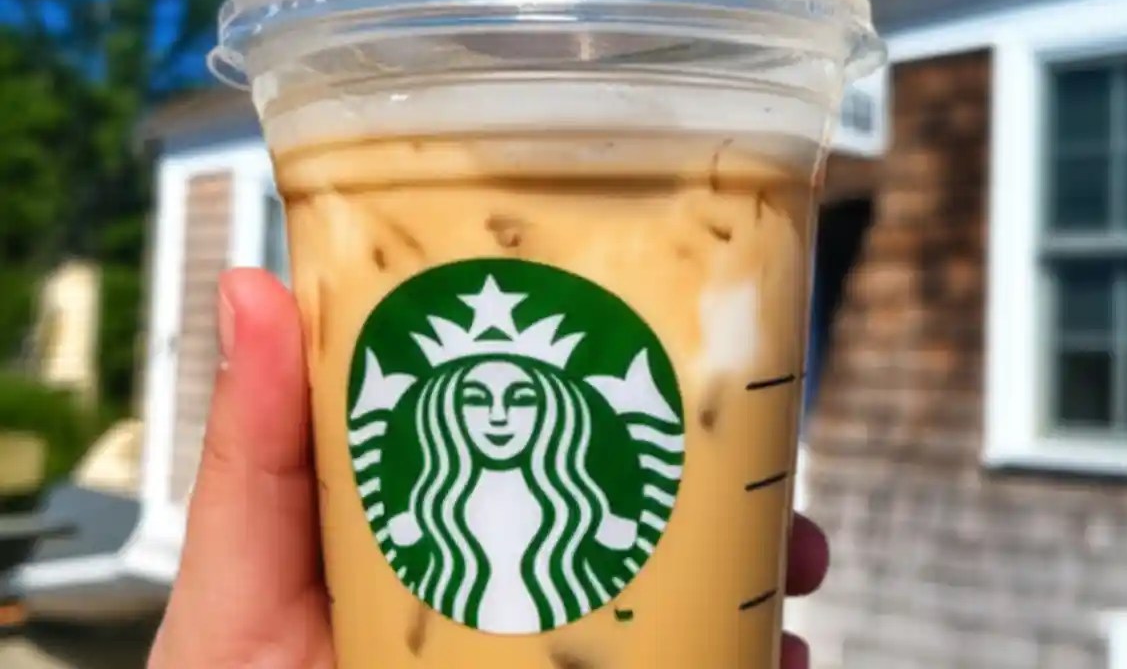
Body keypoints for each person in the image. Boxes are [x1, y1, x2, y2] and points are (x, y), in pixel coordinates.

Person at [148, 268, 830, 669]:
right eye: (476, 398)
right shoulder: (419, 524)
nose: (499, 416)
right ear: (444, 409)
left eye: (522, 399)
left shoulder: (603, 527)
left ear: (558, 410)